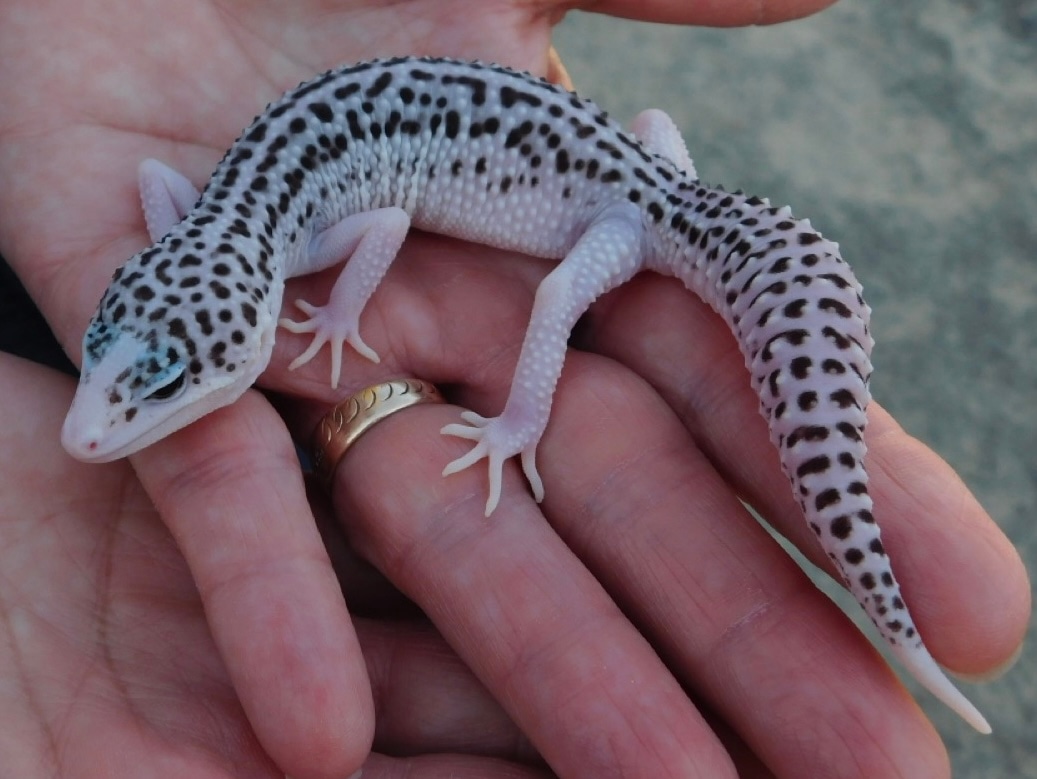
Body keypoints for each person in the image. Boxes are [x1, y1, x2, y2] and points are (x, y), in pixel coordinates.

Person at [0, 1, 1028, 777]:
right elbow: (180, 207)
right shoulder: (224, 226)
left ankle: (523, 418)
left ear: (248, 317)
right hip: (643, 163)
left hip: (623, 216)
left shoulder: (269, 239)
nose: (102, 422)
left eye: (160, 382)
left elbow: (382, 224)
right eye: (121, 367)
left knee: (548, 310)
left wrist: (358, 325)